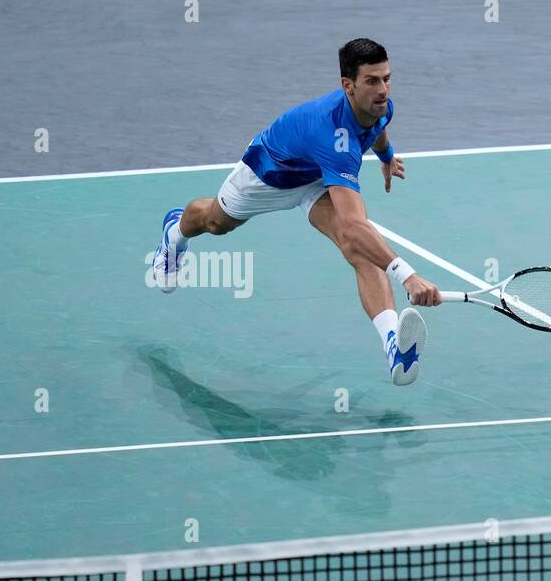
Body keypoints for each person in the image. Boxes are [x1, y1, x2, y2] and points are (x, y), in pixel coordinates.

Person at [150, 38, 441, 386]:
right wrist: (408, 276)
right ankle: (174, 232)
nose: (383, 90)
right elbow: (352, 221)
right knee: (214, 223)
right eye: (372, 81)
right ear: (347, 85)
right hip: (268, 176)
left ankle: (393, 342)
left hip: (317, 179)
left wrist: (386, 157)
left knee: (360, 250)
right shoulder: (331, 133)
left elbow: (377, 130)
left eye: (387, 78)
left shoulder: (381, 106)